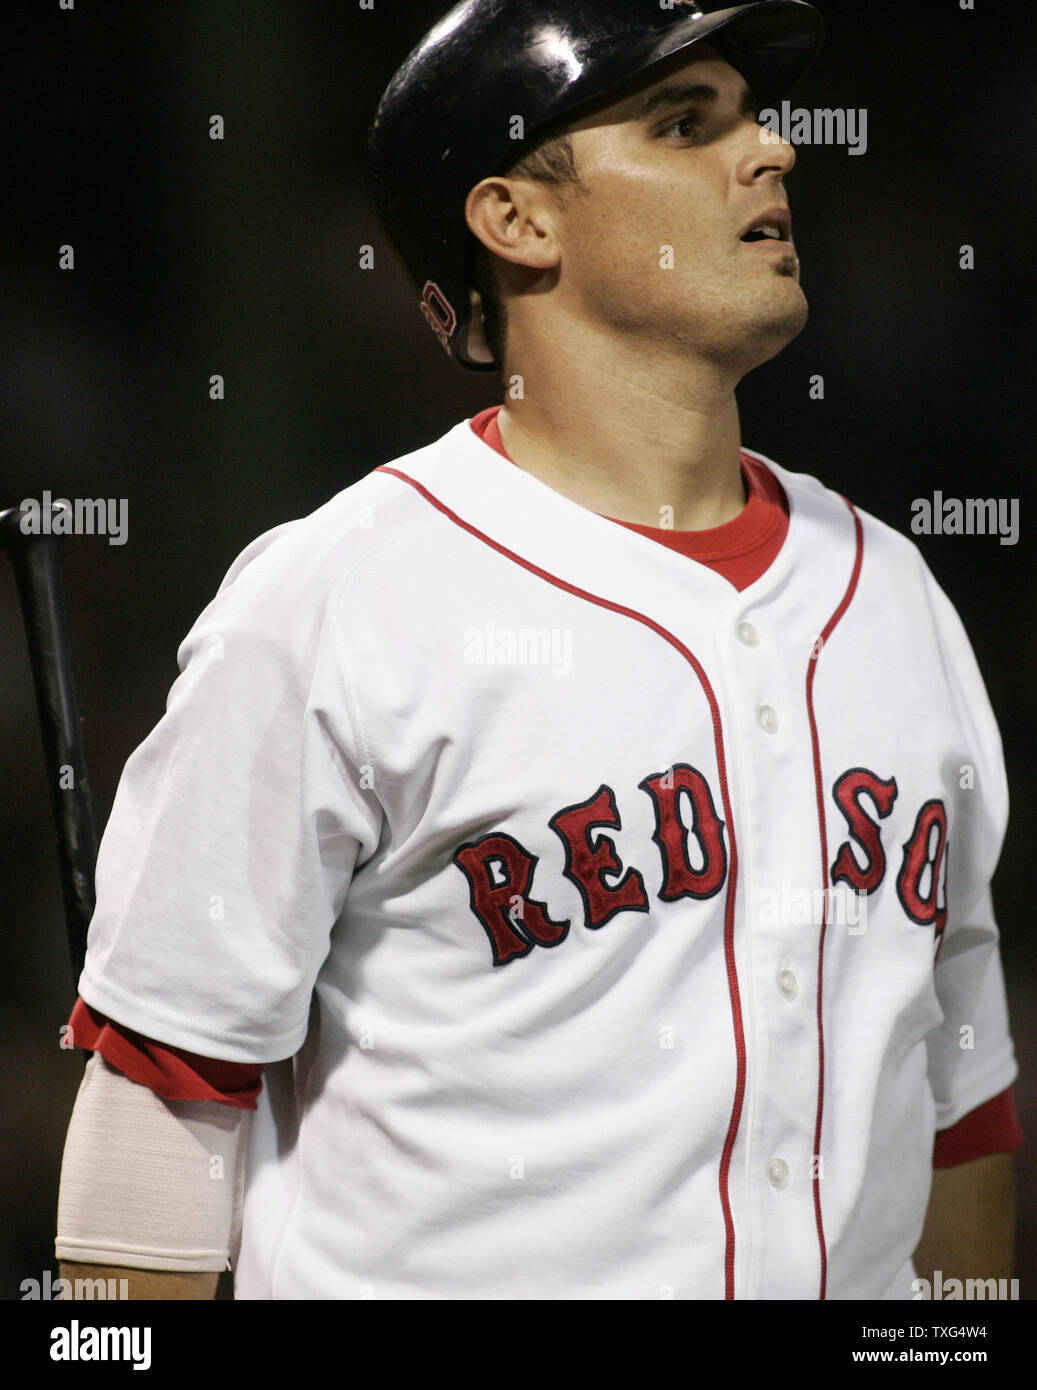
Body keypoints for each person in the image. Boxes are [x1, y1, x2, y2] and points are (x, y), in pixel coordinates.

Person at [56, 0, 1021, 1301]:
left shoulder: (890, 589)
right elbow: (163, 1113)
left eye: (752, 113)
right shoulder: (335, 599)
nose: (773, 151)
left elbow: (956, 1086)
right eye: (687, 123)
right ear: (516, 219)